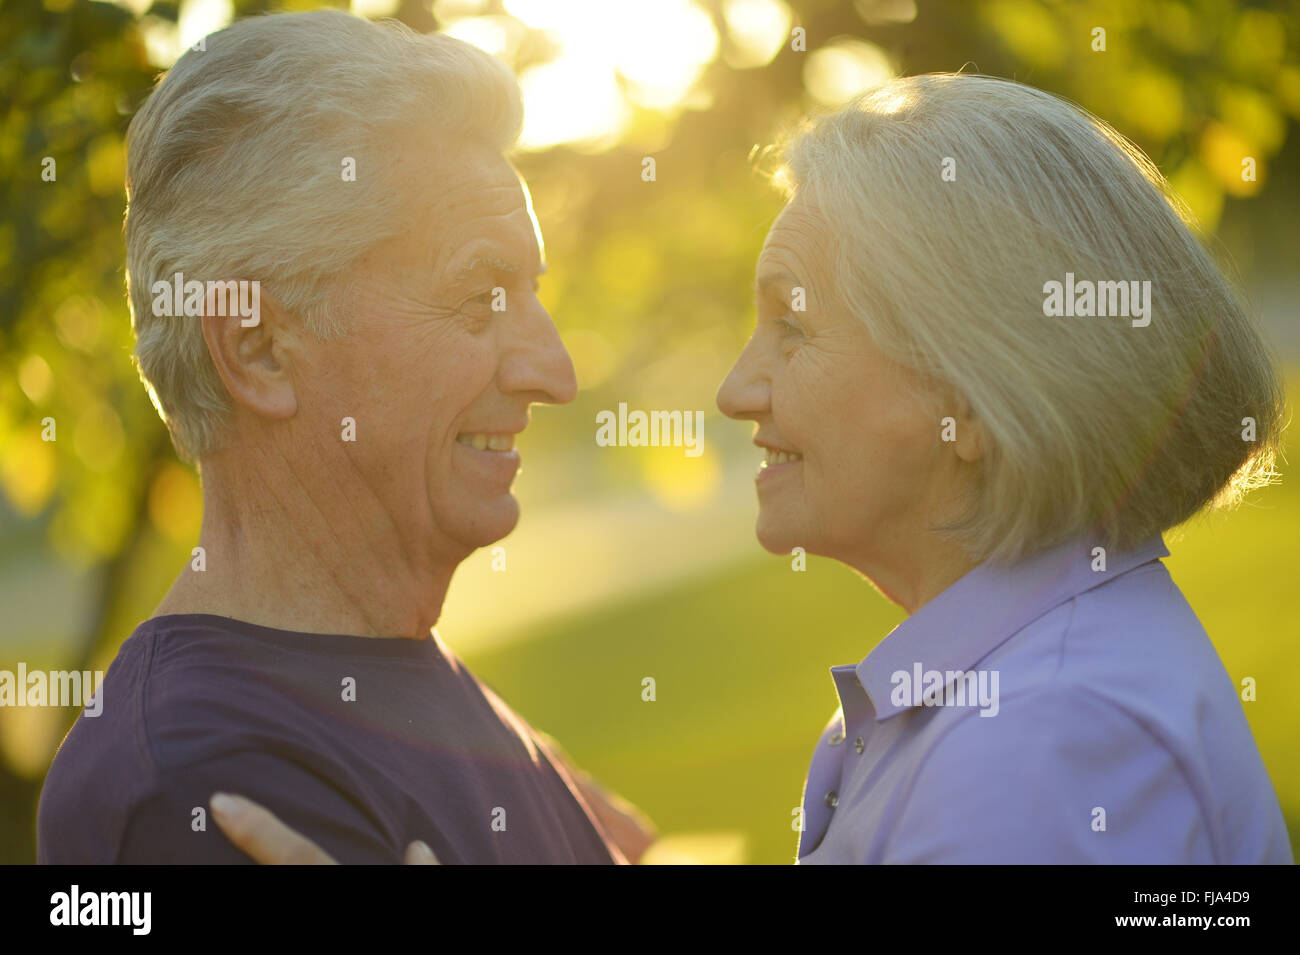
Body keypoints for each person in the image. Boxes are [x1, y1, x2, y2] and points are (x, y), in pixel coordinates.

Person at [37, 10, 652, 865]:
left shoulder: (395, 670)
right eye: (481, 294)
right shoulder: (198, 787)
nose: (554, 372)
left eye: (532, 291)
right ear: (258, 349)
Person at [716, 73, 1291, 863]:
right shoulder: (1022, 694)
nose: (733, 390)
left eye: (793, 327)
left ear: (975, 397)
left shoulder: (1037, 740)